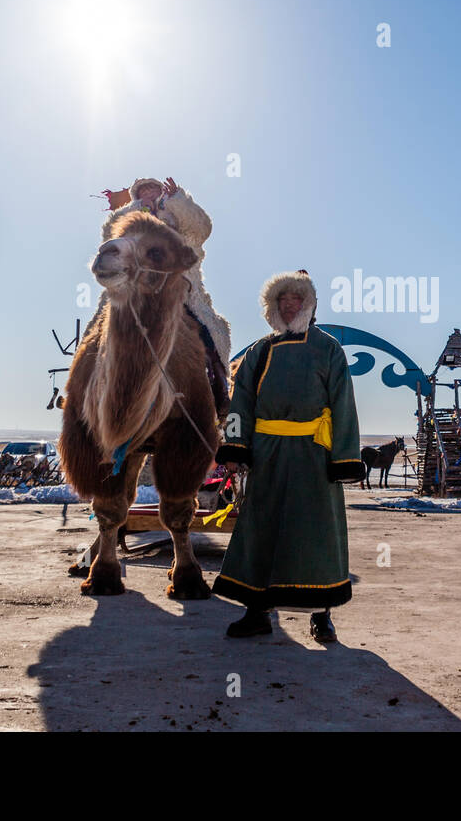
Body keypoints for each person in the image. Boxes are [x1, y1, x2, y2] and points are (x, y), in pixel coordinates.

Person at [213, 270, 366, 642]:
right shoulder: (259, 352)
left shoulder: (328, 349)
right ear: (272, 306)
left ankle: (321, 614)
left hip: (314, 456)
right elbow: (240, 404)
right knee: (260, 529)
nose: (288, 305)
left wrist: (343, 458)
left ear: (309, 305)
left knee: (315, 533)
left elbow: (343, 404)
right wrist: (235, 448)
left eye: (296, 300)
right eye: (282, 300)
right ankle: (257, 611)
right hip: (267, 456)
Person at [99, 177, 232, 419]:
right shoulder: (129, 225)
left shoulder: (179, 225)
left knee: (209, 333)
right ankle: (92, 391)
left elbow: (202, 228)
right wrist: (135, 212)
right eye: (143, 192)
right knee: (98, 336)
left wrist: (179, 201)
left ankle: (218, 389)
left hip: (179, 294)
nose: (149, 194)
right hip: (133, 294)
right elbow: (109, 234)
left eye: (154, 190)